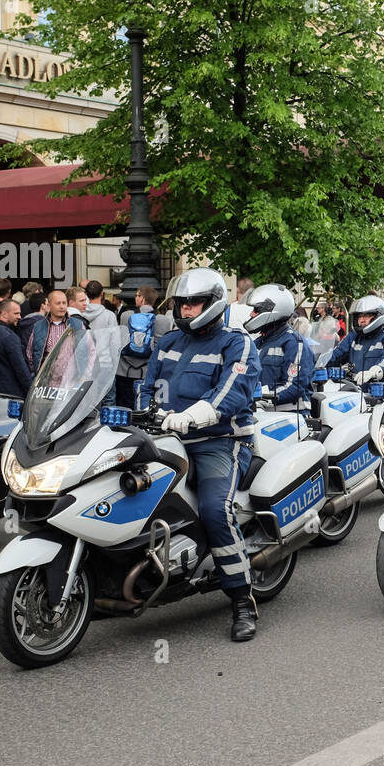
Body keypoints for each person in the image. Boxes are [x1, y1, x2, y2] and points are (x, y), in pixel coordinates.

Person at [140, 268, 262, 642]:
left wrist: (191, 418)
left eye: (194, 303)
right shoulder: (166, 341)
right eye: (182, 303)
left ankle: (242, 600)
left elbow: (233, 392)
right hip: (165, 439)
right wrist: (146, 415)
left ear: (212, 304)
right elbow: (147, 388)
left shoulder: (236, 343)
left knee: (214, 509)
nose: (187, 309)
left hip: (219, 441)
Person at [245, 284, 314, 411]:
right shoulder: (258, 342)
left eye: (256, 310)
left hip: (290, 416)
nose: (251, 314)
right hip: (263, 413)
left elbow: (294, 386)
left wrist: (263, 395)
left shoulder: (295, 343)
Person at [328, 294, 384, 391]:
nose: (362, 320)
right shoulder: (354, 336)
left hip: (379, 396)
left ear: (379, 315)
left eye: (367, 316)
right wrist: (319, 362)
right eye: (360, 316)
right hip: (355, 391)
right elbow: (336, 353)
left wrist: (375, 371)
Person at [115, 285, 173, 408]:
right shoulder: (163, 320)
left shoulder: (126, 316)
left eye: (137, 295)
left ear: (141, 298)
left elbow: (121, 342)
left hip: (125, 371)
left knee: (124, 407)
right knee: (145, 407)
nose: (135, 298)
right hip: (147, 373)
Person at [28, 289, 86, 374]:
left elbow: (89, 350)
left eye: (64, 303)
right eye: (58, 303)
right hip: (47, 380)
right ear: (49, 306)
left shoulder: (78, 325)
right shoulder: (38, 326)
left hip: (71, 379)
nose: (62, 306)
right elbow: (30, 354)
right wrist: (36, 375)